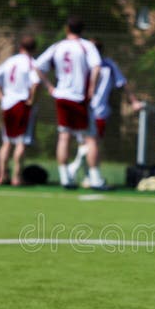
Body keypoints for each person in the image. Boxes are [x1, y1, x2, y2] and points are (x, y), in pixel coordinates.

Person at [34, 16, 103, 189]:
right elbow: (96, 67)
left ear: (67, 29)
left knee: (64, 136)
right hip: (79, 97)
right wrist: (92, 88)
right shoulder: (86, 46)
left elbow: (37, 65)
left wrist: (50, 87)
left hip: (62, 96)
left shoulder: (58, 46)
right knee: (90, 138)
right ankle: (95, 178)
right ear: (82, 30)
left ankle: (65, 177)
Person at [67, 39, 142, 186]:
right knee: (91, 144)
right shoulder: (100, 65)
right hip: (91, 109)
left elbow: (122, 83)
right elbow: (123, 84)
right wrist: (133, 101)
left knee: (85, 145)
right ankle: (82, 173)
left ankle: (84, 175)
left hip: (90, 109)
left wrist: (133, 101)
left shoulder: (105, 65)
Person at [0, 35, 41, 186]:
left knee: (6, 142)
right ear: (34, 49)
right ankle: (17, 177)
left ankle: (1, 176)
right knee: (21, 142)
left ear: (20, 47)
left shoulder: (10, 61)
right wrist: (32, 99)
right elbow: (36, 83)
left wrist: (2, 97)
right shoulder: (31, 63)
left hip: (8, 104)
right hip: (22, 104)